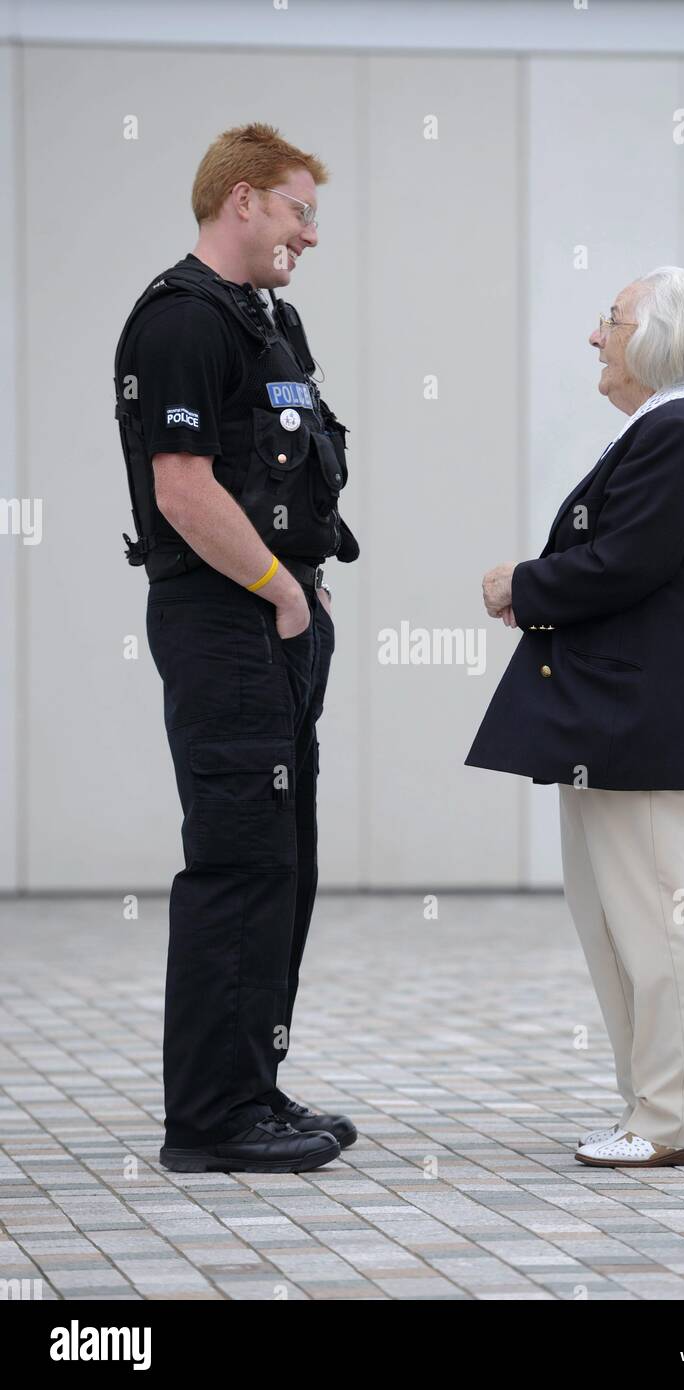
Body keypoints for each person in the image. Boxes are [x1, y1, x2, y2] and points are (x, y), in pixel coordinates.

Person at [114, 123, 360, 1174]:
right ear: (244, 199)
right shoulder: (181, 320)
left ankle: (251, 1085)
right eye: (300, 210)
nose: (310, 234)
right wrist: (279, 596)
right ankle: (210, 1120)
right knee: (237, 859)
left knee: (283, 861)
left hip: (279, 618)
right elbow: (183, 488)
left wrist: (300, 605)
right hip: (227, 619)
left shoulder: (270, 323)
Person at [465, 267, 684, 1168]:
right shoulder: (665, 430)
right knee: (615, 925)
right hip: (611, 724)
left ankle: (674, 1122)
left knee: (656, 924)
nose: (596, 337)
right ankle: (648, 1110)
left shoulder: (677, 432)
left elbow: (628, 561)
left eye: (611, 320)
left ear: (658, 339)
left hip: (642, 725)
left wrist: (525, 585)